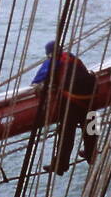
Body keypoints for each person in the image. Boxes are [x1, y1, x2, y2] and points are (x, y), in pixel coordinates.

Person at [32, 40, 98, 175]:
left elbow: (37, 81)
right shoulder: (73, 58)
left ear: (49, 54)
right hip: (89, 98)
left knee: (66, 135)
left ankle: (61, 165)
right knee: (91, 127)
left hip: (72, 102)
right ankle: (91, 154)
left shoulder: (53, 62)